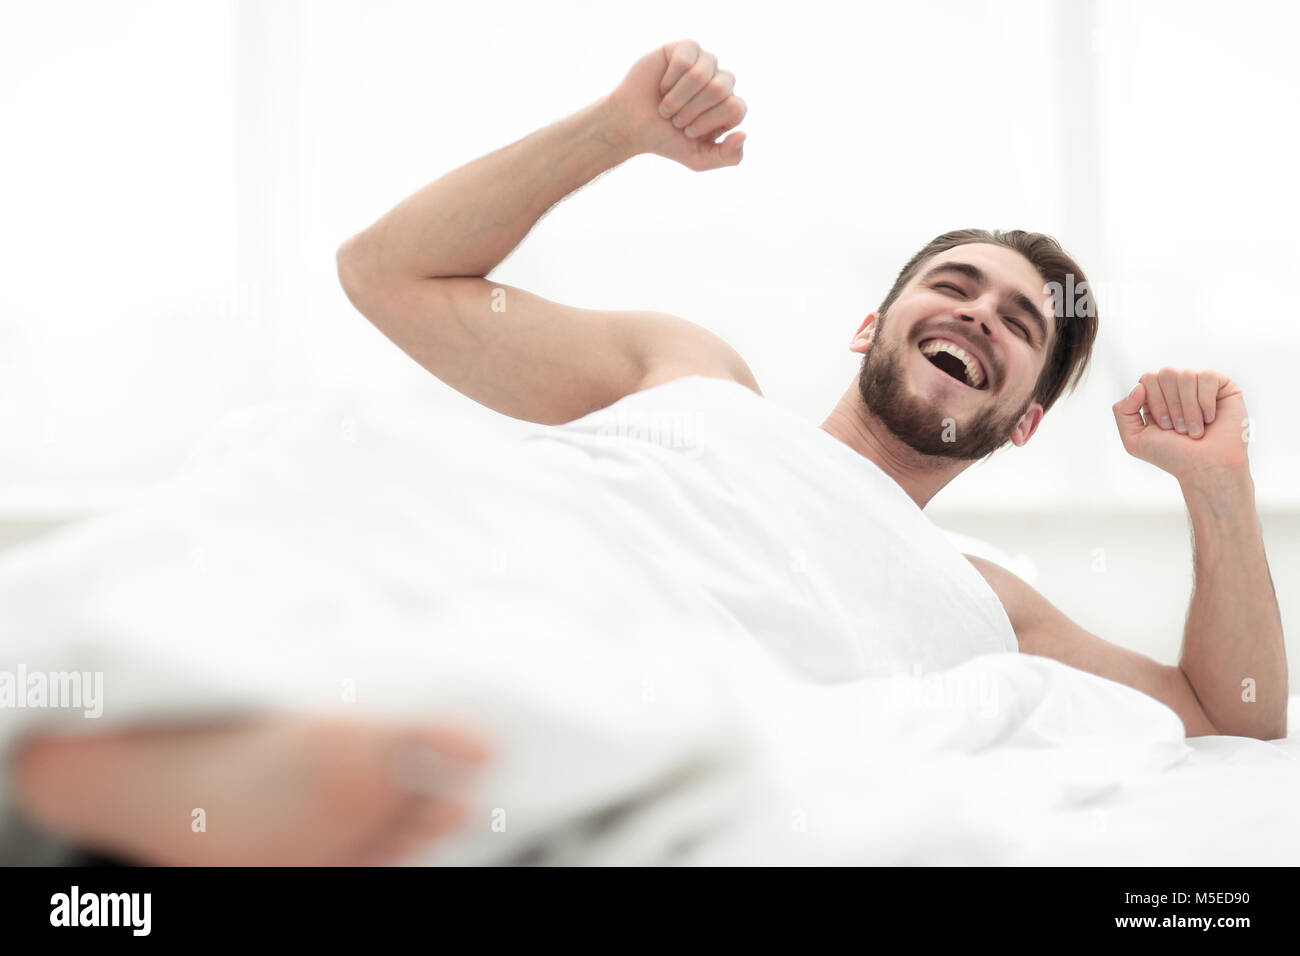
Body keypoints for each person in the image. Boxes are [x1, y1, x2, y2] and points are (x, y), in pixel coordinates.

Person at [12, 39, 1286, 866]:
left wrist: (1217, 488)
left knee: (614, 713)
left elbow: (1234, 713)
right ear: (872, 324)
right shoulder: (690, 371)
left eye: (1018, 326)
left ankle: (215, 784)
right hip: (500, 557)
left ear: (1020, 421)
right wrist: (615, 130)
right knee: (308, 517)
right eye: (953, 285)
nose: (978, 316)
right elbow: (387, 273)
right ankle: (204, 758)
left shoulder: (989, 601)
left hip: (652, 673)